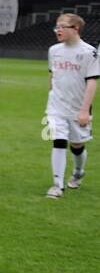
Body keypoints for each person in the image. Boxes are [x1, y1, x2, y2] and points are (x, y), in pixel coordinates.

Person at [44, 13, 97, 198]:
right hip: (56, 106)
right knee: (58, 141)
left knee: (77, 145)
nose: (58, 30)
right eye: (56, 26)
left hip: (78, 108)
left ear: (75, 29)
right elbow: (53, 75)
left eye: (62, 26)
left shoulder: (89, 52)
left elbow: (91, 83)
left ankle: (78, 171)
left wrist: (84, 110)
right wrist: (52, 94)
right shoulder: (54, 50)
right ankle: (57, 185)